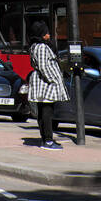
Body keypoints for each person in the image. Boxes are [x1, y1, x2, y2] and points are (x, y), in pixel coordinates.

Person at [26, 20, 68, 149]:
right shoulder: (42, 47)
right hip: (45, 84)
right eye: (46, 33)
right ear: (41, 34)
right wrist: (54, 80)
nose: (49, 35)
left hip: (40, 82)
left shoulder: (34, 47)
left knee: (42, 111)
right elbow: (44, 66)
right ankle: (48, 140)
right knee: (47, 111)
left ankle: (45, 139)